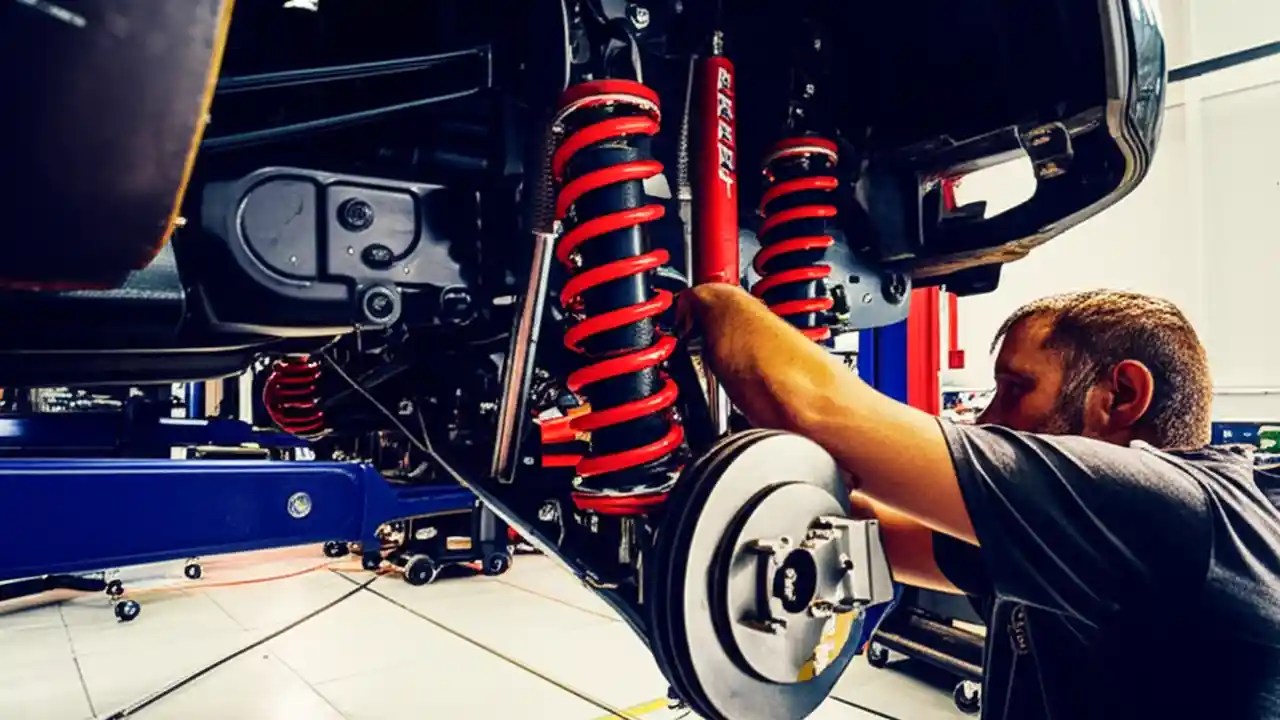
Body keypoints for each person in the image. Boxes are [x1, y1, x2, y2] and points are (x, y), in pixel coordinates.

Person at [679, 285, 1280, 719]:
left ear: (1120, 396)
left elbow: (808, 404)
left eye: (1018, 388)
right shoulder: (1075, 544)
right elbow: (871, 537)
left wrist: (710, 298)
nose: (990, 417)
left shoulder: (1170, 508)